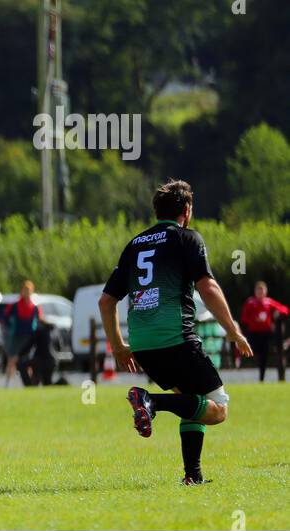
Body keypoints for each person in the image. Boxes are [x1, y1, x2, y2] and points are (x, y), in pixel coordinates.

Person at [101, 180, 253, 485]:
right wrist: (234, 331)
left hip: (143, 345)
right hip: (176, 339)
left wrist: (119, 346)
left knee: (191, 400)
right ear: (186, 210)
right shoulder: (187, 239)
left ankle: (192, 476)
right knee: (218, 409)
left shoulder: (135, 244)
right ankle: (152, 402)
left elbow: (106, 301)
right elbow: (207, 287)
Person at [240, 281, 288, 382]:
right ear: (255, 292)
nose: (260, 293)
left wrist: (277, 312)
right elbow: (244, 318)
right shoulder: (250, 302)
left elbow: (285, 310)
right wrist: (253, 320)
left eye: (262, 291)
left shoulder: (269, 302)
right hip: (253, 333)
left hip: (265, 334)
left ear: (265, 292)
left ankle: (261, 379)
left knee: (264, 356)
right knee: (253, 352)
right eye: (258, 290)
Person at [2, 281, 45, 387]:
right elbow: (5, 318)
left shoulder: (34, 307)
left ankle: (30, 384)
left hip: (29, 338)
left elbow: (40, 320)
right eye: (25, 290)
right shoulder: (15, 306)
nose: (26, 292)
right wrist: (8, 329)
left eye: (28, 290)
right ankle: (8, 383)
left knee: (27, 361)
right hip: (17, 336)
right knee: (12, 359)